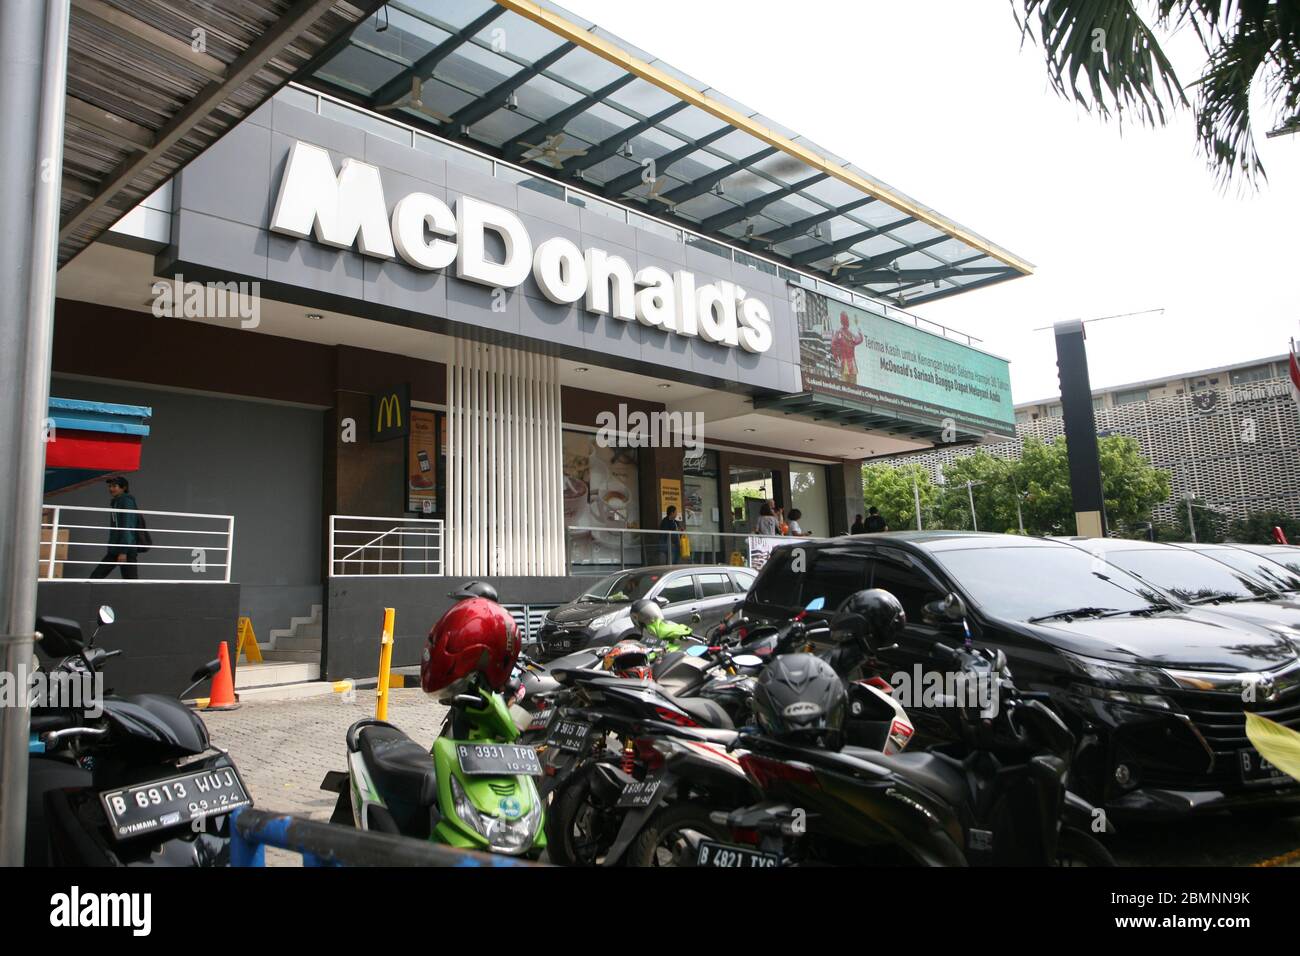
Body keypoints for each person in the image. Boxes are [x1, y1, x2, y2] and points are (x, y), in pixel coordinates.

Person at [90, 475, 142, 579]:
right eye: (110, 486)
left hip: (125, 549)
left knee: (130, 581)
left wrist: (123, 551)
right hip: (117, 548)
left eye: (115, 486)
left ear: (124, 488)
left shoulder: (126, 501)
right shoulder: (117, 501)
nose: (111, 489)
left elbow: (127, 526)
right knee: (96, 577)